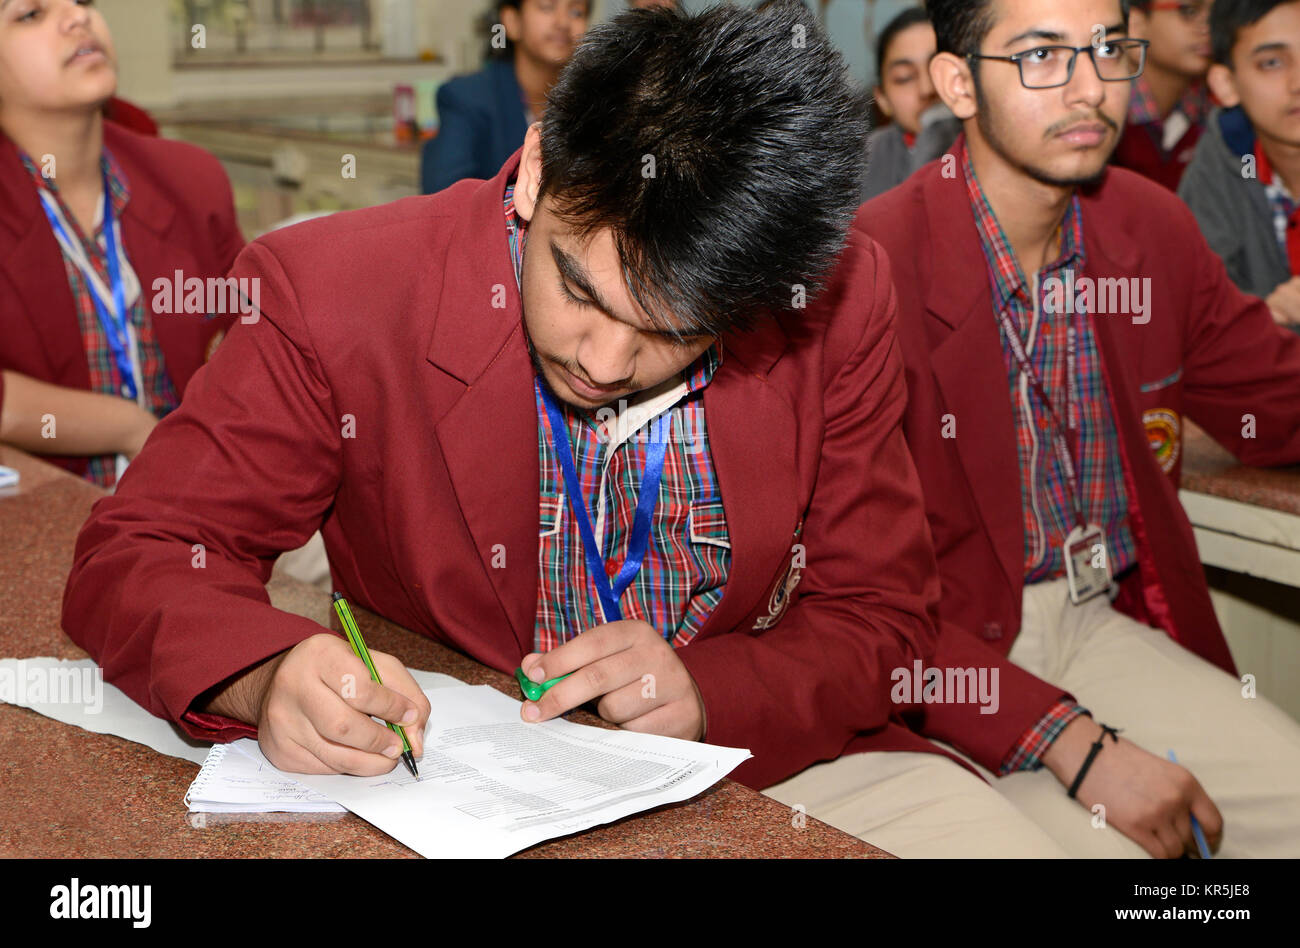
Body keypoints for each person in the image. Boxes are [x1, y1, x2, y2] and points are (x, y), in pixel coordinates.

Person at [63, 3, 941, 791]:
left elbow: (881, 617)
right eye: (581, 290)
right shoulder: (339, 293)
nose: (603, 361)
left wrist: (715, 693)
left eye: (676, 332)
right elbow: (141, 550)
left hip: (771, 769)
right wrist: (263, 676)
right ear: (532, 173)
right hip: (462, 777)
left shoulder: (831, 299)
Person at [786, 0, 1300, 858]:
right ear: (958, 82)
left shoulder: (1147, 227)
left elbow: (1276, 397)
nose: (1090, 87)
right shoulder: (867, 269)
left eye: (1107, 50)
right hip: (934, 656)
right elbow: (841, 603)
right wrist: (1077, 743)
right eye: (1041, 56)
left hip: (1100, 615)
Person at [0, 0, 243, 488]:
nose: (77, 17)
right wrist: (130, 426)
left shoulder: (190, 179)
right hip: (59, 507)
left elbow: (255, 337)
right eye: (31, 14)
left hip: (212, 493)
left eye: (84, 1)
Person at [1180, 0, 1300, 327]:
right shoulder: (1231, 155)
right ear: (1226, 85)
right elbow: (1199, 313)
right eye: (1272, 62)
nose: (1298, 83)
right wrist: (1268, 317)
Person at [420, 0, 589, 195]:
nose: (563, 22)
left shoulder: (594, 102)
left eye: (576, 12)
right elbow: (444, 199)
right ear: (512, 22)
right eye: (547, 7)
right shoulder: (466, 98)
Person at [861, 6, 961, 200]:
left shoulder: (991, 146)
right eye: (904, 77)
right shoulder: (859, 161)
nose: (927, 89)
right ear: (882, 98)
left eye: (938, 68)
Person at [1111, 0, 1213, 189]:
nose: (1208, 26)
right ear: (1135, 25)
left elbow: (1248, 176)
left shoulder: (1219, 114)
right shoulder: (1104, 111)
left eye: (1216, 12)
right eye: (1189, 11)